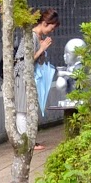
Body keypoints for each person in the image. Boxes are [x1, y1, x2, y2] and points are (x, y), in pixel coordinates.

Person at [32, 9, 60, 147]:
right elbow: (26, 59)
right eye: (51, 27)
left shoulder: (38, 37)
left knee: (33, 108)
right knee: (27, 110)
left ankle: (32, 140)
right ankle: (30, 142)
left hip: (35, 77)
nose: (51, 30)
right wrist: (41, 49)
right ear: (44, 23)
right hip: (28, 78)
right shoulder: (31, 36)